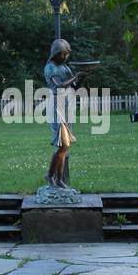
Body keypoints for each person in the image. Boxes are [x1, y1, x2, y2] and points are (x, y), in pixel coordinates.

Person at [43, 38, 77, 187]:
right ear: (56, 53)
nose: (65, 57)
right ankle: (50, 175)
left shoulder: (65, 68)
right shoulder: (50, 68)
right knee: (61, 144)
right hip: (57, 106)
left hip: (67, 106)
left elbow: (74, 87)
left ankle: (59, 179)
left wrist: (82, 76)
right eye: (63, 54)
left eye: (66, 54)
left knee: (65, 145)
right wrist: (77, 75)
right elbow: (59, 85)